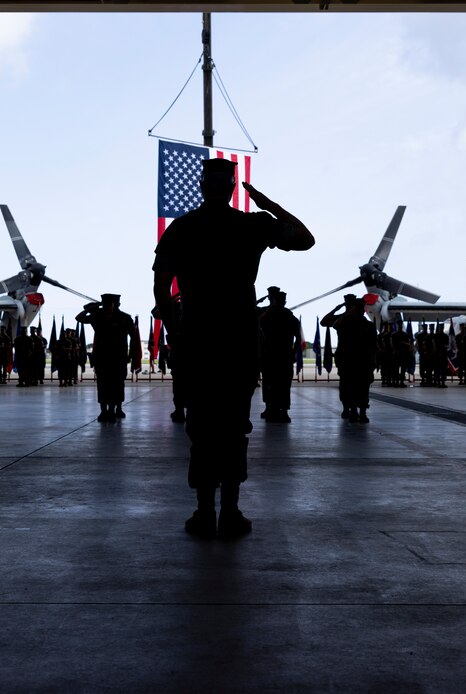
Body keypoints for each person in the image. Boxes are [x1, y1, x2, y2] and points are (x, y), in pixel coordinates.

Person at [153, 159, 314, 539]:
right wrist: (266, 203)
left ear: (201, 186)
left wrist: (176, 335)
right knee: (234, 427)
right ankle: (231, 511)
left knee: (202, 426)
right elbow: (305, 239)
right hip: (240, 340)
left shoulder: (182, 228)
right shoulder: (251, 225)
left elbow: (161, 289)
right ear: (231, 189)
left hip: (197, 338)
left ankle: (204, 512)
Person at [77, 294, 137, 422]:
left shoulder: (124, 318)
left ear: (116, 305)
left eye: (109, 305)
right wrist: (92, 308)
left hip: (118, 357)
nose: (107, 307)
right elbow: (79, 318)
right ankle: (104, 411)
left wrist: (132, 354)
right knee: (103, 384)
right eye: (105, 305)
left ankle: (114, 410)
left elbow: (134, 338)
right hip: (102, 357)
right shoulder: (98, 316)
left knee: (117, 384)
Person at [257, 287, 302, 422]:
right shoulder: (269, 314)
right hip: (274, 355)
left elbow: (298, 337)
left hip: (278, 355)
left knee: (280, 383)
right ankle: (272, 408)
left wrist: (293, 353)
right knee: (272, 382)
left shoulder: (283, 315)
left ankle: (280, 410)